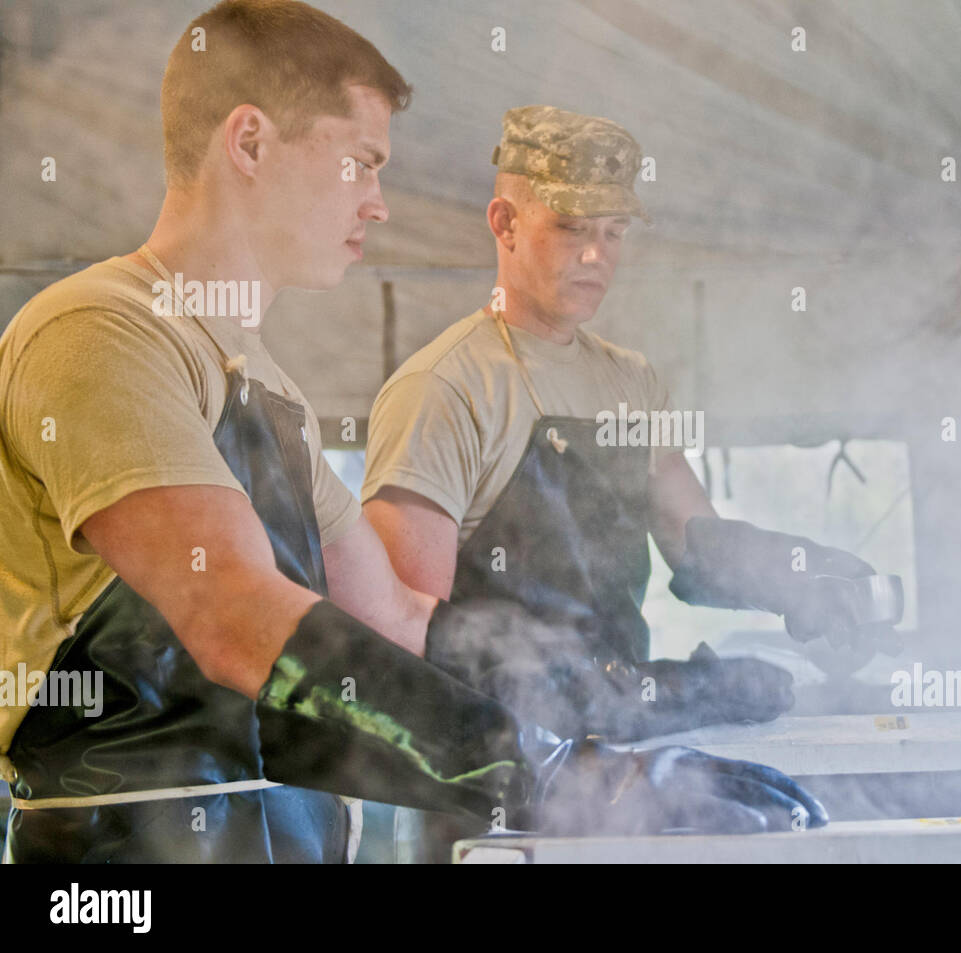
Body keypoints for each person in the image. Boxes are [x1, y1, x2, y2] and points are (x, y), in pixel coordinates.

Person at [0, 1, 826, 863]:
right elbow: (233, 610)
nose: (381, 204)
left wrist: (626, 697)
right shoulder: (100, 331)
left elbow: (398, 617)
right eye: (361, 163)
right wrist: (538, 772)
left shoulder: (266, 385)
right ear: (248, 143)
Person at [362, 105, 905, 744]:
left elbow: (693, 542)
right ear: (504, 224)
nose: (596, 255)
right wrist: (659, 692)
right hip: (488, 773)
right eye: (570, 227)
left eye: (614, 231)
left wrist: (803, 575)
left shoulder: (631, 382)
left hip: (622, 750)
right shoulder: (443, 388)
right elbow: (403, 635)